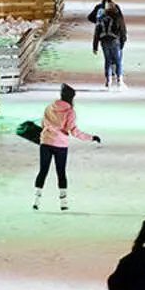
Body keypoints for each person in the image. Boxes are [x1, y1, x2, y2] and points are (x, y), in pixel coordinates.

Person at [33, 84, 100, 212]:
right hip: (60, 145)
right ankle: (63, 203)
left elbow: (43, 124)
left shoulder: (49, 107)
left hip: (45, 142)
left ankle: (37, 200)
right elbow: (73, 131)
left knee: (43, 171)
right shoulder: (70, 112)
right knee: (61, 172)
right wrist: (91, 137)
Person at [92, 2, 127, 89]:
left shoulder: (101, 18)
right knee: (117, 61)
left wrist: (95, 46)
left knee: (107, 60)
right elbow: (122, 30)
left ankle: (108, 80)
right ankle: (119, 80)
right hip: (115, 40)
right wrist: (122, 42)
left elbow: (97, 32)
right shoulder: (118, 17)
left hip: (104, 41)